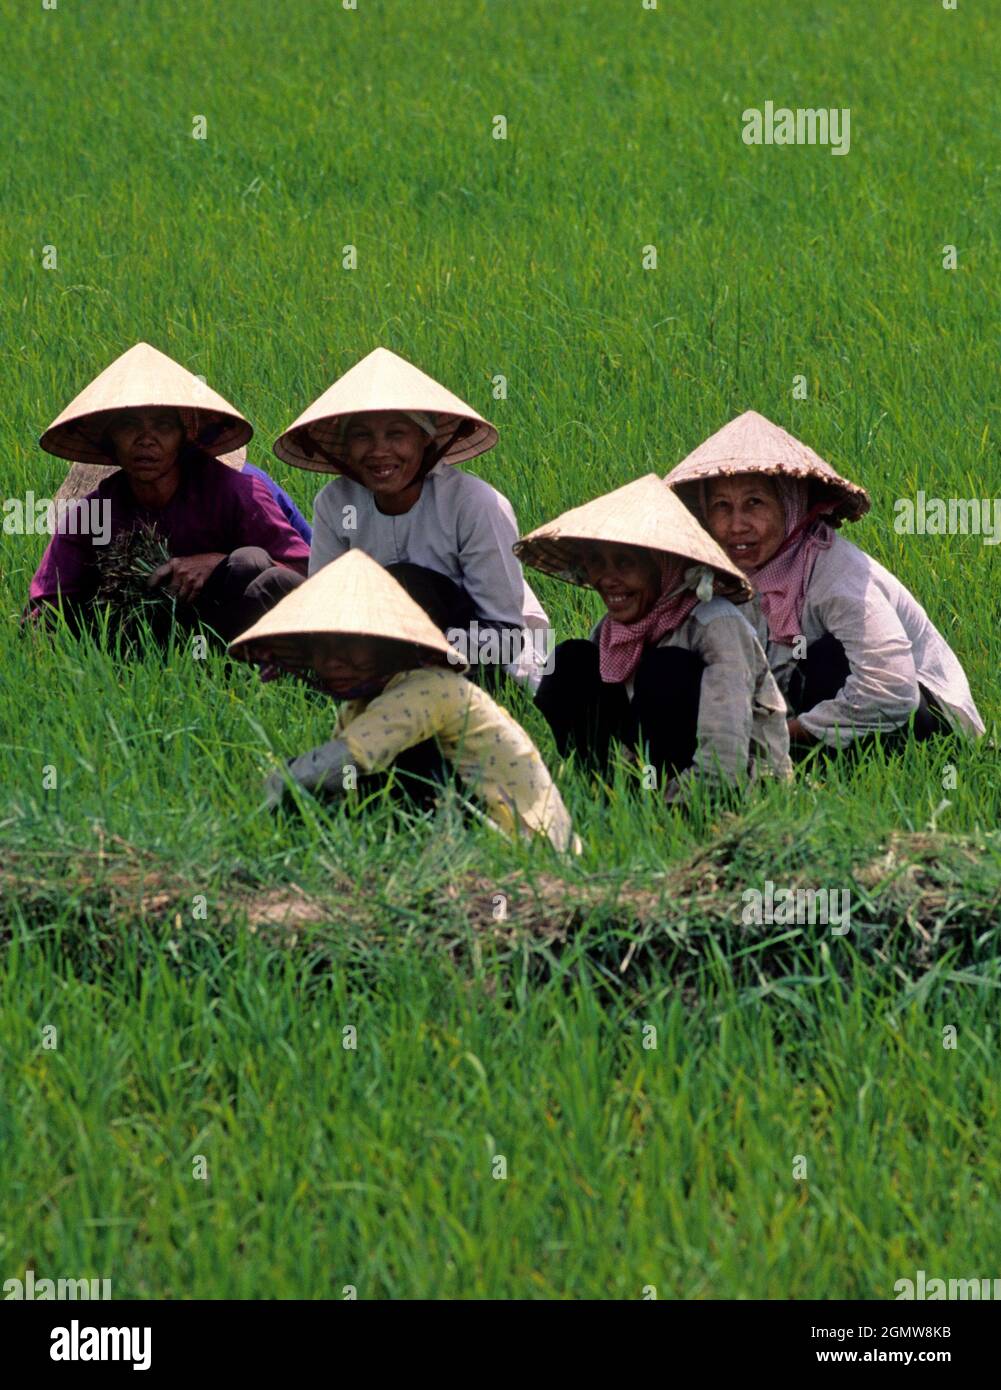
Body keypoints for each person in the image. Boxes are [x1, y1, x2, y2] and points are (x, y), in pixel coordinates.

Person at [664, 411, 985, 751]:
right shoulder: (718, 578)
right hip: (827, 714)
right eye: (721, 505)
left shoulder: (837, 574)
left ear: (789, 505)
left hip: (924, 720)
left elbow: (892, 689)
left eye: (754, 503)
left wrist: (783, 734)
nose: (736, 525)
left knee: (827, 659)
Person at [229, 549, 580, 852]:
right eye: (320, 649)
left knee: (402, 759)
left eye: (351, 646)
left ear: (389, 646)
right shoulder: (358, 707)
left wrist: (274, 785)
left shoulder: (430, 687)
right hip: (477, 828)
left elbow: (347, 759)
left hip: (523, 839)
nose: (333, 662)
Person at [268, 346, 550, 688]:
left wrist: (410, 650)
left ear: (425, 439)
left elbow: (506, 637)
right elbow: (326, 609)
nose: (379, 451)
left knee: (406, 582)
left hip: (481, 658)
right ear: (345, 446)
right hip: (375, 656)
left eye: (396, 434)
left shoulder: (474, 503)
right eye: (362, 436)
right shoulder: (336, 503)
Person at [515, 475, 792, 801]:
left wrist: (671, 805)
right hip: (650, 779)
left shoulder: (716, 624)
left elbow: (726, 748)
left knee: (666, 669)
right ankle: (606, 790)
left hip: (741, 785)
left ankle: (656, 800)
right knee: (571, 662)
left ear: (662, 565)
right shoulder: (612, 631)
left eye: (625, 563)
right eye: (597, 563)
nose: (608, 579)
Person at [27, 342, 309, 642]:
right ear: (110, 439)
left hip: (237, 633)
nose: (146, 440)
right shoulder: (94, 514)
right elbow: (46, 609)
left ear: (184, 437)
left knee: (248, 562)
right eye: (129, 426)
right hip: (147, 641)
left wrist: (217, 563)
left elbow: (307, 574)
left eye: (163, 426)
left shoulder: (237, 492)